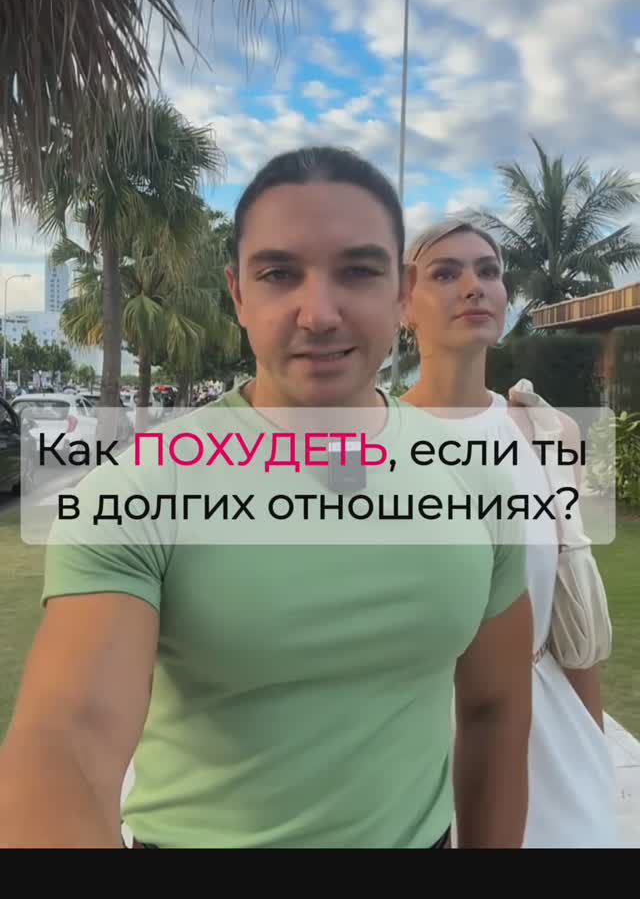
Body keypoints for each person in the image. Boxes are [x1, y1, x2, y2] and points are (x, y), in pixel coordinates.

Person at [0, 147, 533, 849]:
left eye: (358, 271)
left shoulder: (476, 480)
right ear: (238, 294)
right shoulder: (143, 488)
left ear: (400, 293)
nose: (319, 313)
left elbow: (496, 709)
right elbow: (66, 746)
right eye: (279, 274)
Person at [400, 217, 618, 849]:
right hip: (410, 734)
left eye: (488, 271)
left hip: (546, 732)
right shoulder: (361, 444)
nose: (474, 286)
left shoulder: (550, 433)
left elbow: (572, 614)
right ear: (403, 305)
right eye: (445, 273)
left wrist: (592, 747)